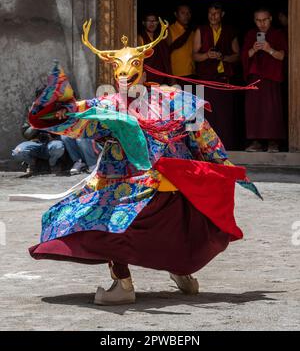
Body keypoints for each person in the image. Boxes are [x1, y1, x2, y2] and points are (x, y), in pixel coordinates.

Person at [28, 19, 260, 306]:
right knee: (161, 226)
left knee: (110, 223)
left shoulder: (161, 100)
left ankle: (133, 282)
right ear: (113, 71)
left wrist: (220, 165)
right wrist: (57, 107)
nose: (124, 73)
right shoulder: (114, 105)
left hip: (147, 189)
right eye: (118, 68)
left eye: (131, 65)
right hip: (158, 189)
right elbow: (75, 120)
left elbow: (202, 135)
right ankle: (173, 273)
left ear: (143, 64)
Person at [193, 2, 240, 149]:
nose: (213, 16)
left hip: (223, 79)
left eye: (216, 13)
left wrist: (223, 58)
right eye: (210, 13)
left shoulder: (229, 31)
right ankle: (204, 147)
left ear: (222, 14)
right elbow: (194, 55)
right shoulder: (201, 30)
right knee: (204, 116)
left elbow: (237, 56)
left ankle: (225, 147)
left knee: (224, 116)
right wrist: (207, 55)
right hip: (204, 79)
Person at [241, 7, 288, 152]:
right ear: (254, 21)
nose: (262, 24)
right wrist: (254, 50)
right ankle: (256, 142)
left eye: (265, 20)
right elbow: (243, 56)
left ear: (271, 19)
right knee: (254, 110)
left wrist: (269, 49)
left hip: (271, 78)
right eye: (258, 20)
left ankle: (273, 142)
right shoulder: (251, 34)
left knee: (271, 110)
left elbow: (282, 56)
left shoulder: (278, 34)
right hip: (255, 78)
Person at [12, 88, 65, 175]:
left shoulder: (57, 110)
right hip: (35, 143)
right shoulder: (32, 110)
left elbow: (63, 130)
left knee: (58, 147)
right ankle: (32, 164)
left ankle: (53, 164)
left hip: (51, 144)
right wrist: (37, 120)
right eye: (41, 99)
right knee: (17, 153)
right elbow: (26, 134)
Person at [138, 12, 172, 84]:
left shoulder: (161, 38)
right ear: (143, 23)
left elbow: (166, 57)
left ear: (158, 23)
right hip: (147, 75)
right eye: (149, 21)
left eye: (154, 21)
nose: (152, 23)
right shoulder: (140, 38)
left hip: (161, 75)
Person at [168, 4, 195, 82]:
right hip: (177, 75)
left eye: (188, 13)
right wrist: (170, 76)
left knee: (197, 94)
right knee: (179, 95)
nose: (186, 16)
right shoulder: (169, 30)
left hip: (192, 73)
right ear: (176, 14)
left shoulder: (192, 32)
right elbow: (165, 54)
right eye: (182, 13)